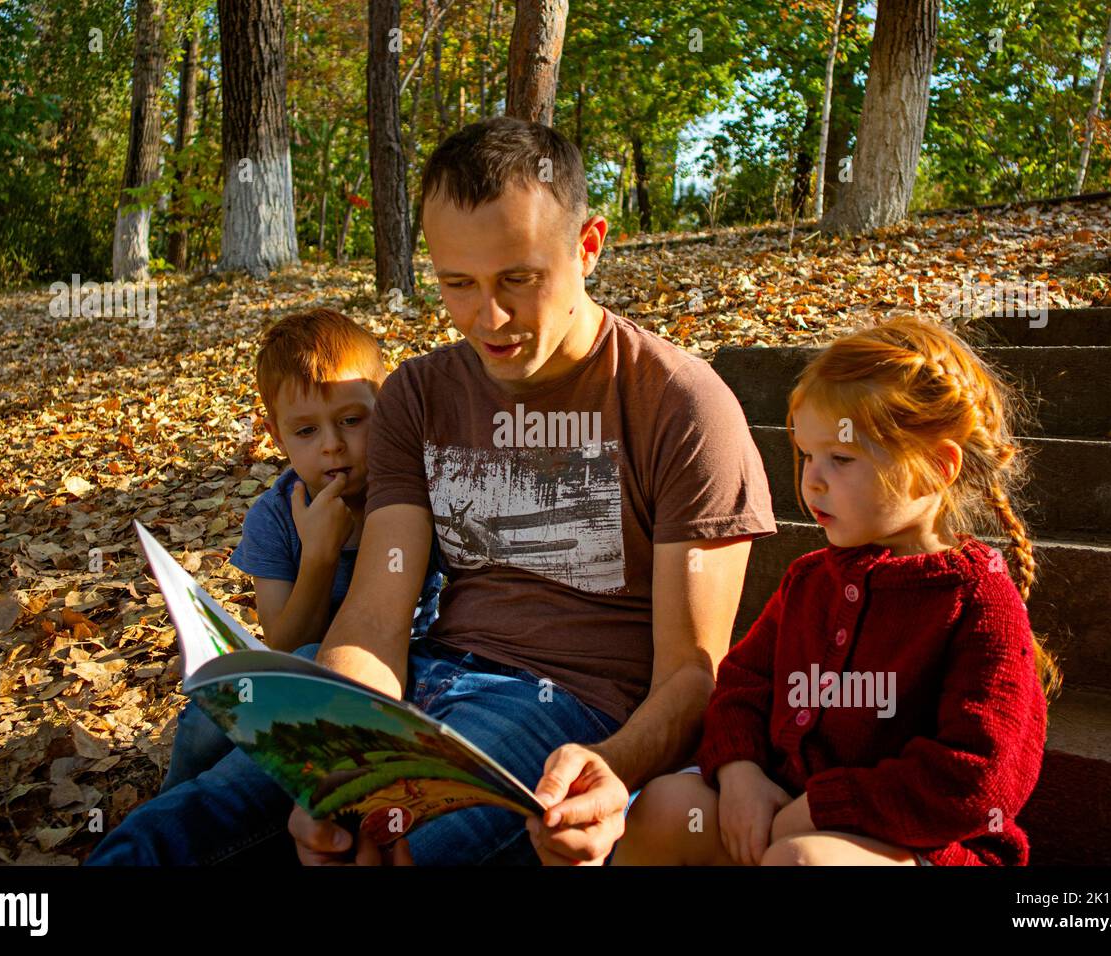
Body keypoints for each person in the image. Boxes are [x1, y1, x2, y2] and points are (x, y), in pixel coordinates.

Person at [287, 115, 776, 866]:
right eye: (457, 284)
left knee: (405, 848)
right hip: (423, 679)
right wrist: (340, 748)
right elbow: (376, 617)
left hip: (569, 711)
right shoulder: (419, 394)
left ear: (589, 247)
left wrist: (610, 772)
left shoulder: (679, 404)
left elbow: (691, 673)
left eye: (517, 279)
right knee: (202, 817)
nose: (488, 317)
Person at [612, 316, 1057, 866]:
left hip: (922, 848)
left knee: (803, 860)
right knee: (664, 806)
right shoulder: (809, 579)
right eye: (807, 455)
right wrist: (740, 771)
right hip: (786, 815)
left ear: (937, 468)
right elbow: (743, 685)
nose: (813, 480)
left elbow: (979, 776)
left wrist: (827, 807)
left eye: (841, 459)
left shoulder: (976, 598)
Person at [86, 309, 443, 863]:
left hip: (398, 673)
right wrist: (319, 554)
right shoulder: (275, 517)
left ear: (385, 408)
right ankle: (175, 807)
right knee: (209, 711)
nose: (332, 446)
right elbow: (284, 641)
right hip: (298, 669)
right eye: (306, 431)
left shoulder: (410, 496)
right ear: (277, 435)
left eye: (352, 420)